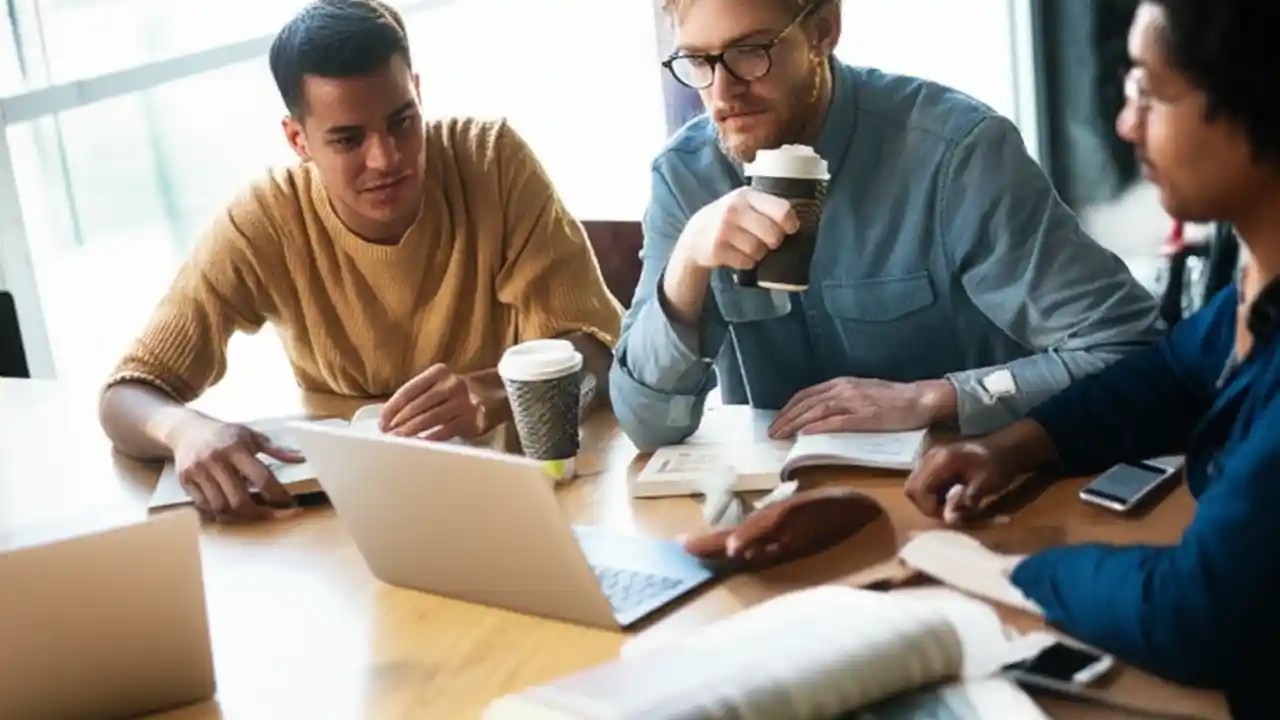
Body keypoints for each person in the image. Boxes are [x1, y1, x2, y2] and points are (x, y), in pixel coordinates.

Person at [686, 1, 1280, 713]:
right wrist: (1012, 447)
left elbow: (1197, 612)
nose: (1126, 124)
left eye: (1150, 92)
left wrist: (1003, 567)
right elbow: (1172, 373)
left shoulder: (954, 150)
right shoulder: (1254, 285)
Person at [99, 0, 622, 522]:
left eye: (402, 122)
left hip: (514, 499)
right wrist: (184, 430)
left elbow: (602, 352)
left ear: (418, 92)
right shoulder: (266, 219)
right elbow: (126, 393)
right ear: (297, 139)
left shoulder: (494, 163)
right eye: (348, 139)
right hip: (343, 515)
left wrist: (496, 392)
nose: (386, 158)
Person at [610, 0, 1163, 452]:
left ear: (824, 30)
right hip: (775, 517)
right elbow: (646, 423)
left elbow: (1131, 351)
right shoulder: (686, 178)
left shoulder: (956, 155)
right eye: (698, 60)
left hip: (961, 500)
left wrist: (933, 398)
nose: (722, 94)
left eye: (750, 52)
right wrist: (687, 264)